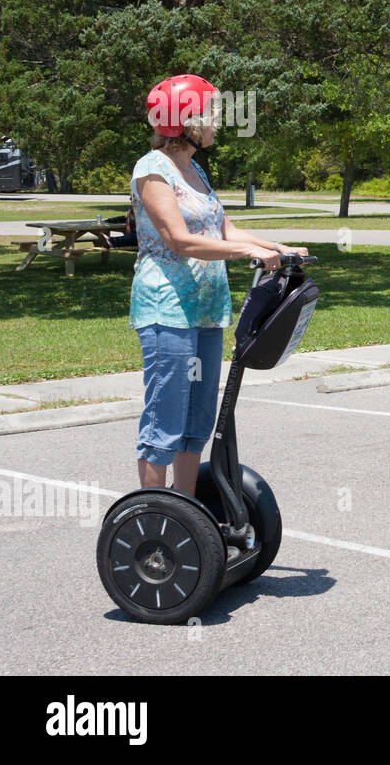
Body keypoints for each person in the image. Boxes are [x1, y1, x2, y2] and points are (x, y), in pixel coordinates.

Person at [131, 74, 304, 495]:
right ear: (184, 121)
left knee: (197, 420)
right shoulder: (152, 169)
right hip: (166, 309)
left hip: (206, 311)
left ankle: (186, 513)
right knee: (165, 418)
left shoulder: (195, 170)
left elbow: (224, 230)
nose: (216, 122)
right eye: (209, 114)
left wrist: (278, 247)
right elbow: (178, 238)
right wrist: (247, 255)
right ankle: (156, 515)